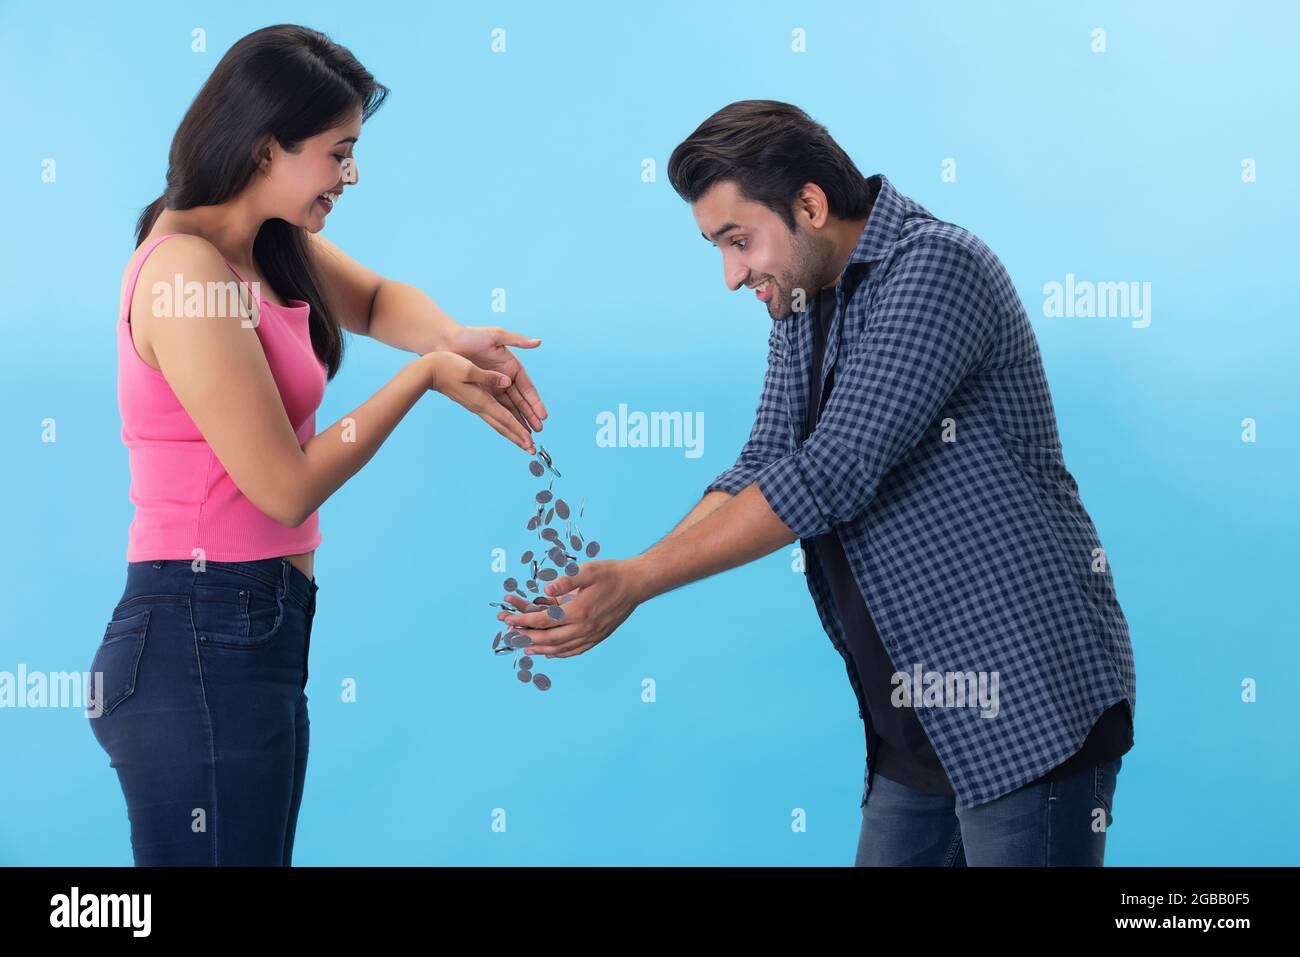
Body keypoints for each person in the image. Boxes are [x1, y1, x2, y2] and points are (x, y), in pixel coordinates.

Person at [498, 100, 1136, 866]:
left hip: (1026, 707)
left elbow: (831, 473)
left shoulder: (937, 268)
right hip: (915, 720)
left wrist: (639, 582)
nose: (732, 275)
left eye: (739, 241)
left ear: (809, 203)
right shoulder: (803, 299)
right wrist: (623, 572)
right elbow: (765, 459)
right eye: (717, 247)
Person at [88, 24, 546, 866]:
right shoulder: (186, 274)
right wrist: (422, 379)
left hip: (249, 628)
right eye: (338, 153)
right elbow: (284, 487)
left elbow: (372, 299)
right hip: (197, 630)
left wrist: (452, 336)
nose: (351, 175)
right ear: (268, 148)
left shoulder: (261, 246)